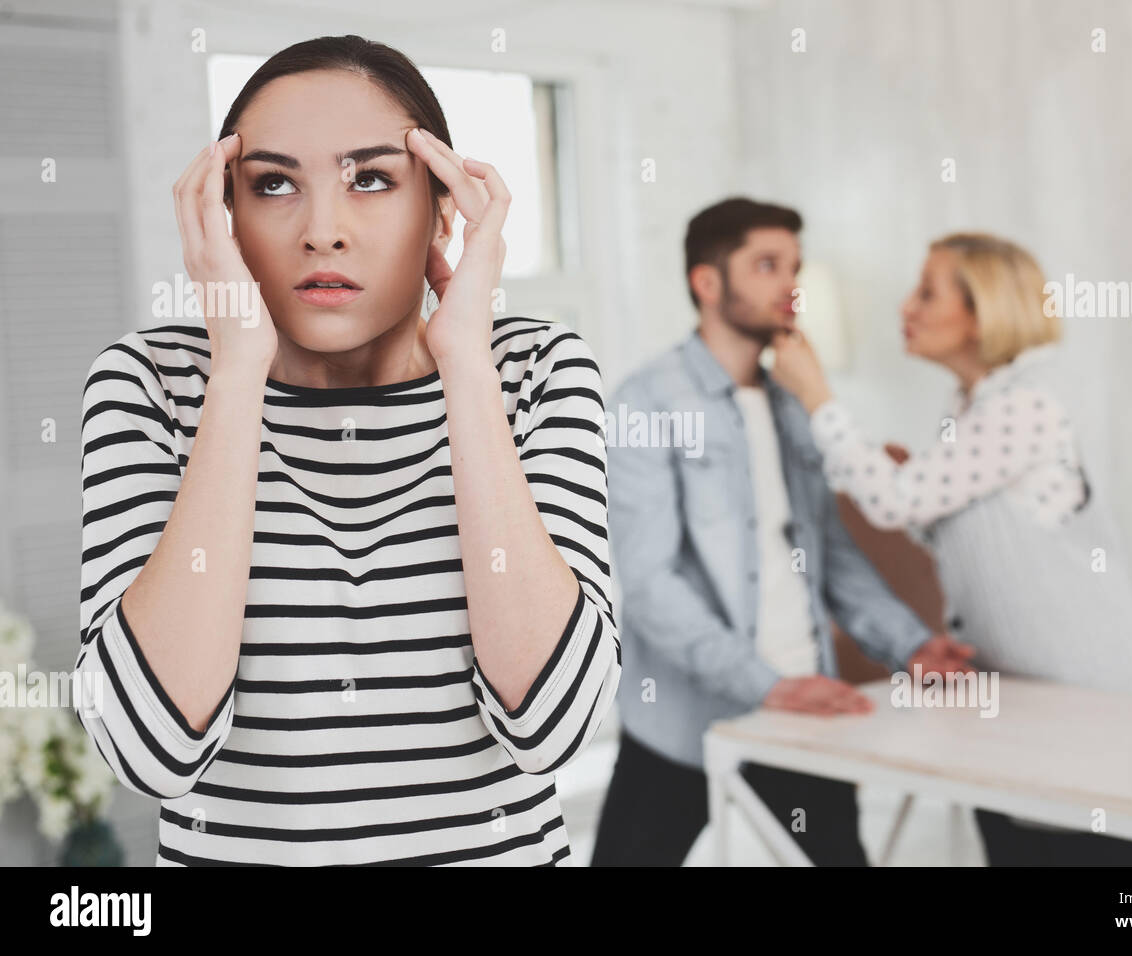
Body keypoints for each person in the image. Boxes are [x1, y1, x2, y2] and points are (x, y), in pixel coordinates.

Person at [73, 35, 619, 866]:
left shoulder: (535, 371)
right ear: (223, 217)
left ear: (444, 209)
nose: (322, 230)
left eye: (370, 180)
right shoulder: (152, 383)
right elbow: (152, 752)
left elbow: (552, 725)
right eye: (274, 184)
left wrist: (466, 364)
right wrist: (238, 374)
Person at [589, 198, 974, 867]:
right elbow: (650, 586)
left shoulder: (795, 402)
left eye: (794, 266)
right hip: (686, 719)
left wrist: (909, 645)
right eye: (767, 265)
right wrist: (763, 683)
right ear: (707, 283)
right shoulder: (643, 402)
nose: (789, 285)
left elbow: (831, 554)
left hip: (806, 705)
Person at [769, 231, 1132, 866]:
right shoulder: (973, 406)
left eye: (927, 292)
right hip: (1018, 690)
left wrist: (818, 397)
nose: (906, 307)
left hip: (1086, 693)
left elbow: (899, 502)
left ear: (981, 312)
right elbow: (944, 520)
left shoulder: (1027, 403)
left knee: (1074, 858)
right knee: (1014, 845)